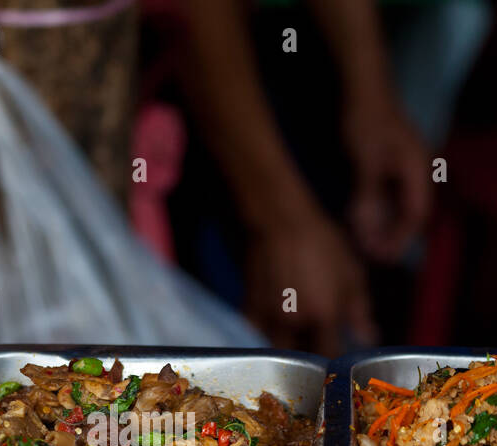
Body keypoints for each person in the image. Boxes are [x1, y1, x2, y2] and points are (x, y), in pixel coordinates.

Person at [172, 0, 439, 353]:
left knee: (325, 305)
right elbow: (188, 12)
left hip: (298, 58)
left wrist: (371, 95)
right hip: (190, 95)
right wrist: (280, 220)